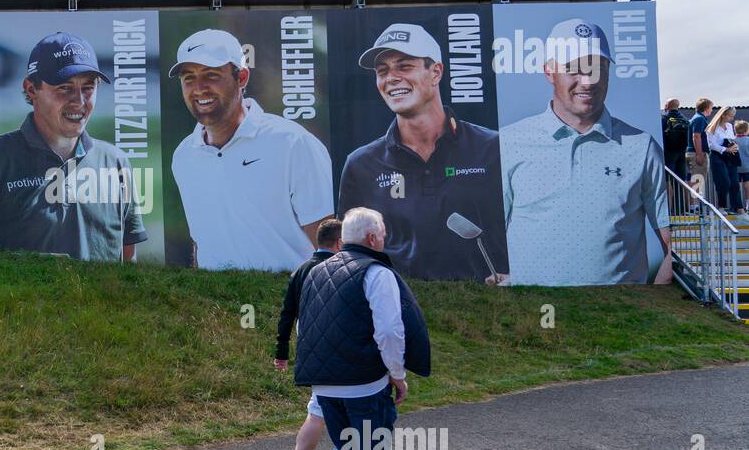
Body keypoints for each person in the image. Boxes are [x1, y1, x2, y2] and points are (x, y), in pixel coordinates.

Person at [288, 207, 431, 450]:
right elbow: (388, 331)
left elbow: (306, 329)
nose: (384, 239)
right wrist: (396, 373)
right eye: (382, 233)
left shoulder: (317, 271)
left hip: (324, 385)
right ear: (371, 238)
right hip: (364, 387)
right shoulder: (377, 272)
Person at [498, 17, 672, 285]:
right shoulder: (509, 142)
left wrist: (654, 304)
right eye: (574, 68)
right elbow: (485, 238)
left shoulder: (641, 146)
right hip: (533, 318)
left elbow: (675, 247)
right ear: (549, 72)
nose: (588, 81)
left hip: (617, 322)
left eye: (598, 68)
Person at [338, 22, 508, 282]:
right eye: (382, 71)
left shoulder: (494, 148)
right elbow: (350, 252)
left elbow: (528, 231)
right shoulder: (361, 165)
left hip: (489, 312)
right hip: (396, 309)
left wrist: (518, 278)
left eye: (404, 66)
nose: (391, 78)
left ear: (436, 72)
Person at [169, 28, 335, 272]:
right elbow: (201, 241)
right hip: (215, 306)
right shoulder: (183, 156)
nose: (199, 87)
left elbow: (328, 246)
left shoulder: (293, 143)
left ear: (242, 77)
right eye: (188, 77)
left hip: (288, 302)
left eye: (211, 75)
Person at [0, 32, 146, 261]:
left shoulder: (115, 161)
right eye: (64, 88)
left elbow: (128, 255)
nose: (79, 101)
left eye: (88, 87)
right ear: (31, 89)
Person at [272, 217, 342, 450]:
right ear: (339, 242)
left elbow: (287, 314)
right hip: (334, 351)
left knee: (330, 410)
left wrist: (282, 351)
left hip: (309, 350)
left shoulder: (300, 270)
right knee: (323, 411)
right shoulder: (339, 269)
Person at [706, 105, 745, 216]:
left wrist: (734, 146)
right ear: (723, 115)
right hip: (717, 157)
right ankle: (721, 206)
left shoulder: (729, 126)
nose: (732, 118)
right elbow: (712, 145)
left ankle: (739, 208)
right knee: (724, 182)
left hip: (730, 156)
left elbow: (732, 139)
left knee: (735, 183)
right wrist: (726, 149)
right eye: (730, 116)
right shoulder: (712, 127)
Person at [687, 97, 713, 196]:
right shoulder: (699, 119)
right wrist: (699, 154)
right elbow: (696, 136)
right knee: (698, 179)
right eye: (711, 107)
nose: (711, 110)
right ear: (706, 108)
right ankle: (695, 207)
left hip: (695, 152)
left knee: (697, 179)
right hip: (696, 153)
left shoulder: (697, 118)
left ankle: (695, 206)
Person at [660, 98, 690, 181]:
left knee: (668, 178)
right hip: (682, 151)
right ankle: (680, 194)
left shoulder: (664, 119)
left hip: (669, 152)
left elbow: (661, 135)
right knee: (681, 178)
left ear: (667, 106)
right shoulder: (684, 119)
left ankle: (670, 194)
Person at [735, 120, 749, 207]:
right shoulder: (748, 140)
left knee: (737, 187)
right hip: (747, 167)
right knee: (747, 186)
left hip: (736, 168)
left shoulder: (733, 140)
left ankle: (738, 205)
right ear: (746, 130)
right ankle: (748, 204)